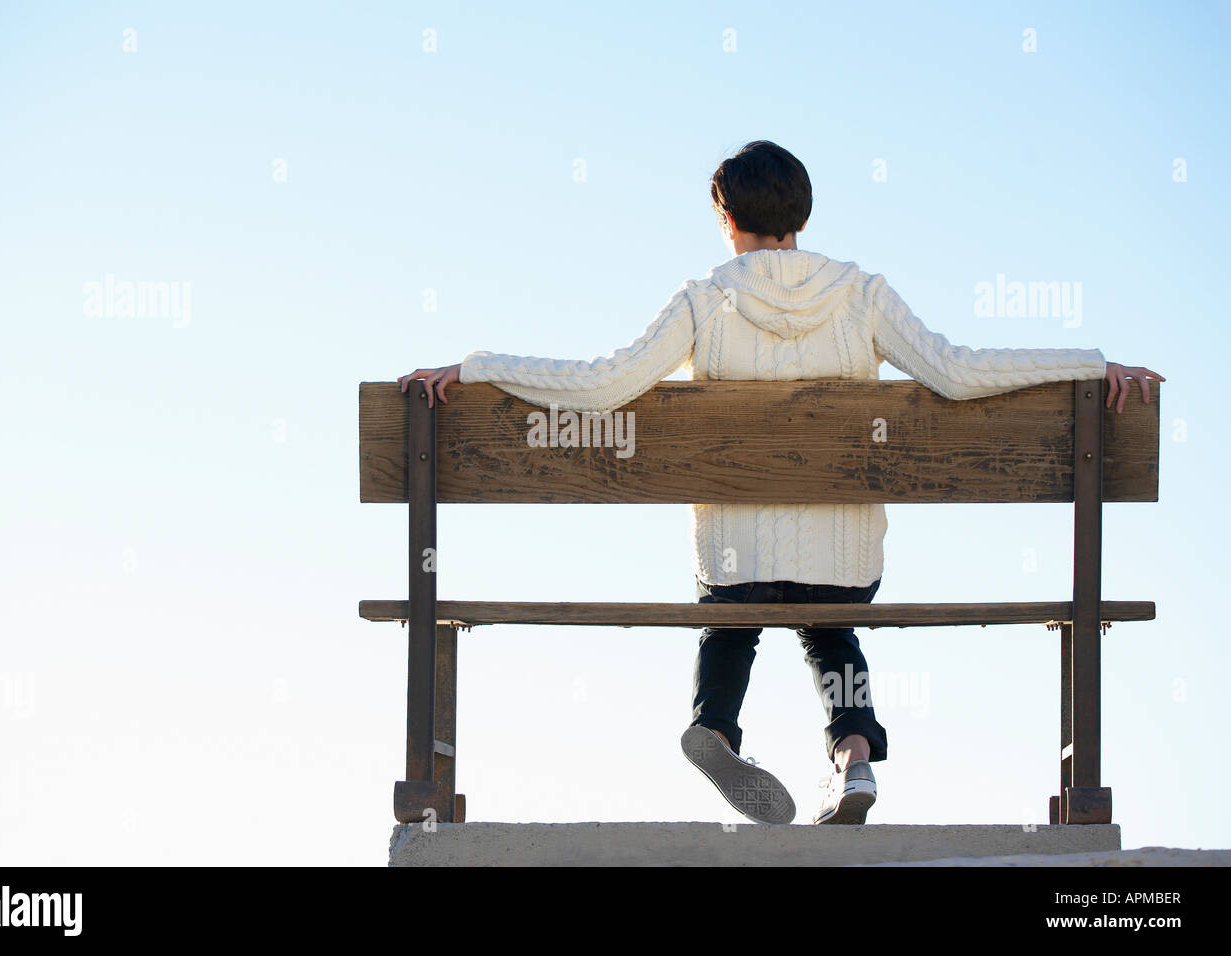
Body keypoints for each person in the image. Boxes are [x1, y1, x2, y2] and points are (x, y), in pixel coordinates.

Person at [398, 140, 1163, 826]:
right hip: (843, 558)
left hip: (735, 557)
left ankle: (716, 725)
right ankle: (853, 752)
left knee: (730, 613)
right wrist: (1092, 367)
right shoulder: (861, 293)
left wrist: (473, 370)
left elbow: (605, 383)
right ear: (801, 213)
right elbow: (959, 373)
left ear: (727, 219)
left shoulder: (705, 298)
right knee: (831, 627)